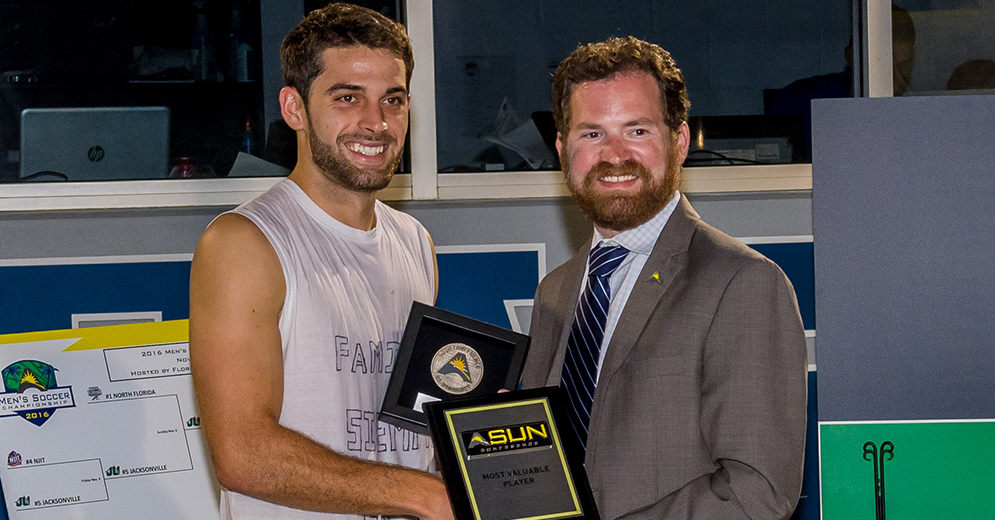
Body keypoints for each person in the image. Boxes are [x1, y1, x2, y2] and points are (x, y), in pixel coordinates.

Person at [521, 36, 808, 519]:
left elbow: (756, 493)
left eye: (636, 131)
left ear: (678, 141)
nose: (614, 155)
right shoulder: (557, 290)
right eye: (591, 134)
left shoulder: (743, 283)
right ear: (561, 148)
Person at [189, 4, 453, 520]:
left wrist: (485, 436)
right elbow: (243, 456)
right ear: (294, 109)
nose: (376, 123)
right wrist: (424, 495)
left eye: (392, 100)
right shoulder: (245, 243)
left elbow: (408, 426)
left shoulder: (415, 242)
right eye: (347, 98)